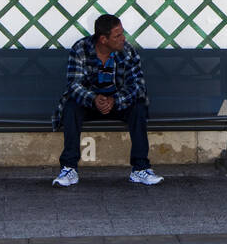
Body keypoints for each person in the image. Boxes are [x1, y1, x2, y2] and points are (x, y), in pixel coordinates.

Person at [50, 14, 163, 186]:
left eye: (122, 34)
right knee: (70, 107)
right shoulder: (81, 49)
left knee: (138, 107)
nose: (123, 38)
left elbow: (137, 85)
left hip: (118, 103)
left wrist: (114, 100)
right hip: (89, 103)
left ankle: (140, 169)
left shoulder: (128, 51)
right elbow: (74, 84)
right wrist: (94, 98)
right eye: (118, 36)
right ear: (103, 39)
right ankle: (69, 168)